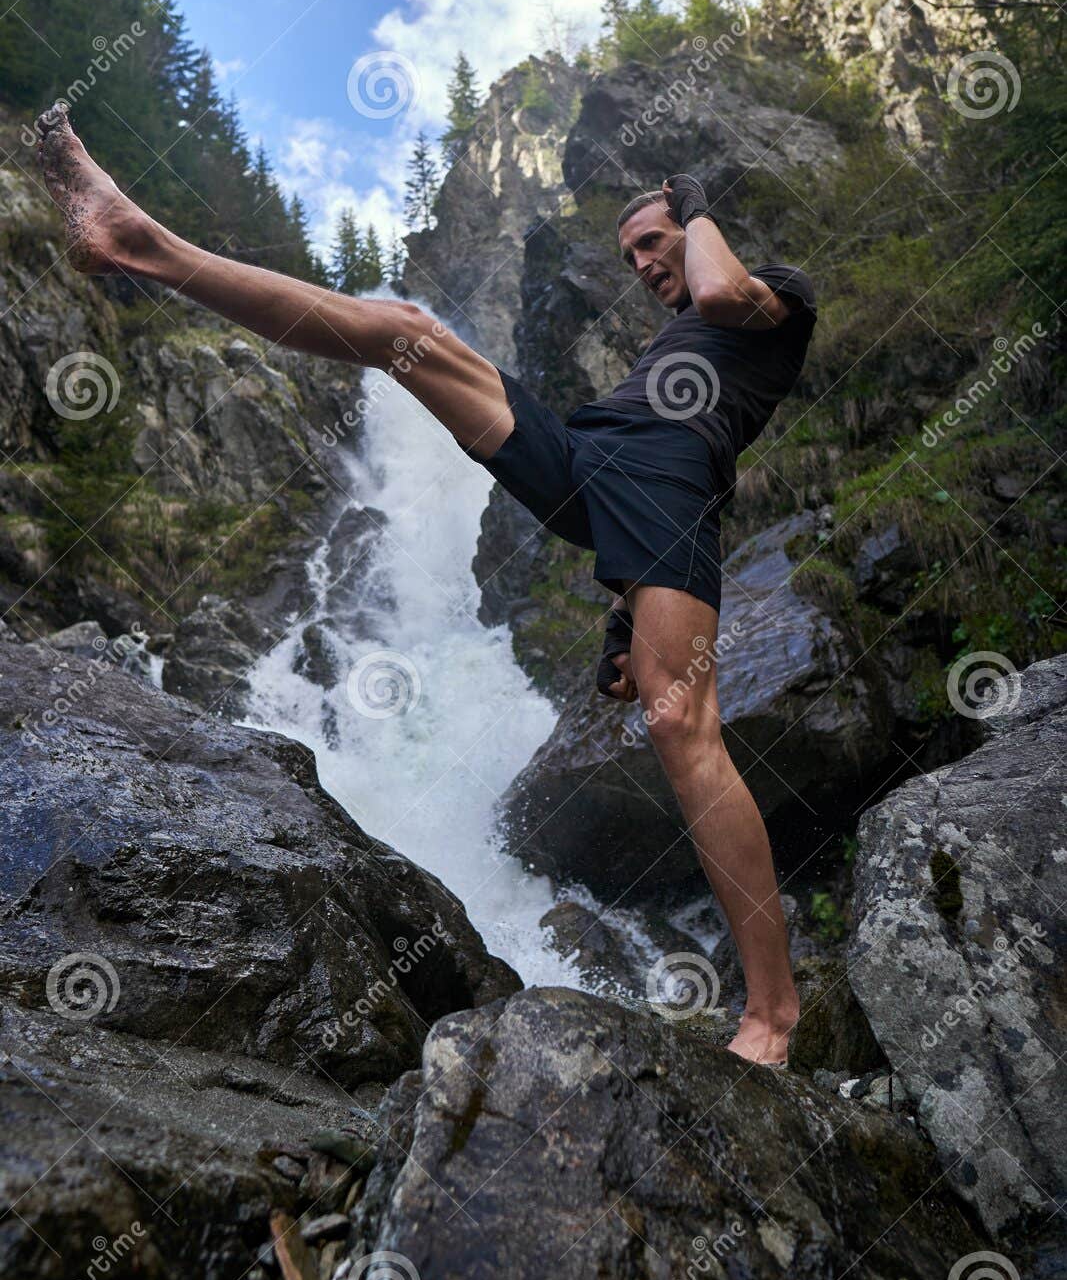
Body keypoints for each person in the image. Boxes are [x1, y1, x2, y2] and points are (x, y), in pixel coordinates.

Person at [36, 102, 815, 1066]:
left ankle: (771, 1014)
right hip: (586, 464)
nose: (646, 268)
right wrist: (624, 603)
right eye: (632, 259)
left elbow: (720, 289)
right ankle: (139, 242)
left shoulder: (772, 297)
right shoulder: (674, 343)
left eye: (651, 244)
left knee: (675, 724)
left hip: (669, 493)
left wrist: (692, 208)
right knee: (402, 334)